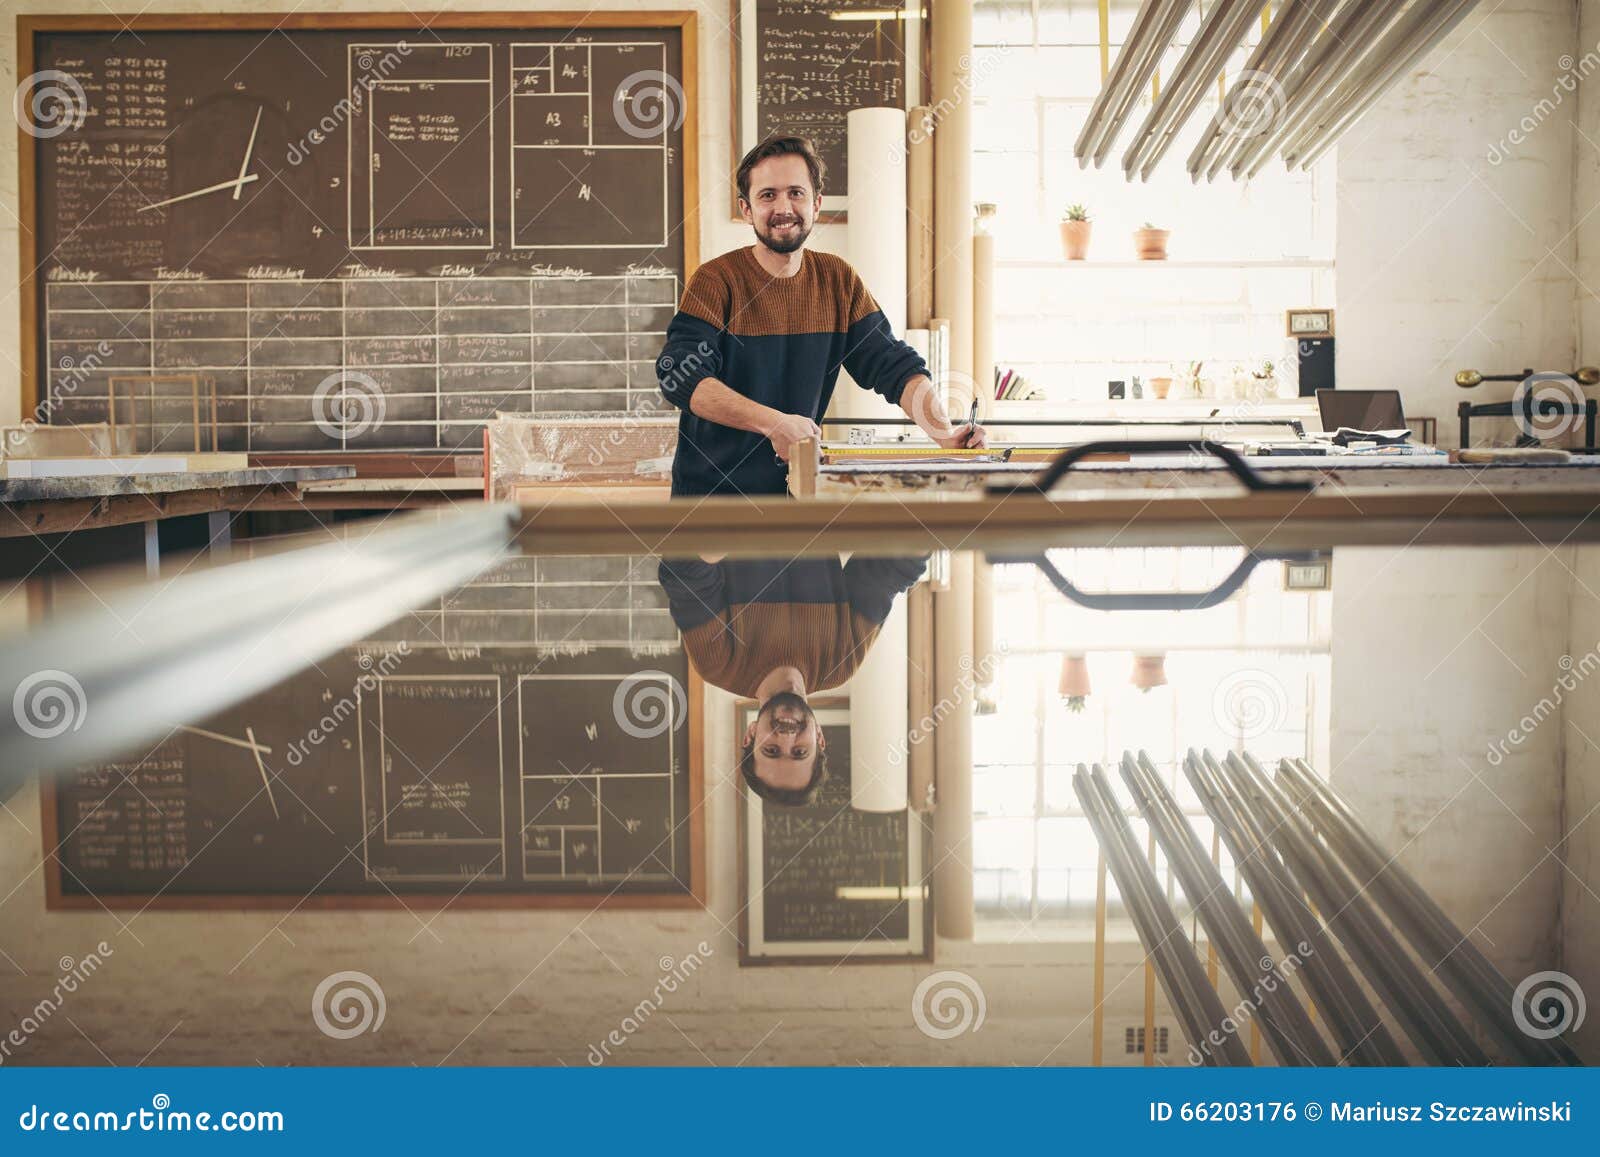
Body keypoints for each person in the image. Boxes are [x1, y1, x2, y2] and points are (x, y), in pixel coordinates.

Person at [655, 134, 987, 497]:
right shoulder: (716, 281)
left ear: (816, 205)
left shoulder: (838, 280)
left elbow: (895, 367)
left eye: (796, 193)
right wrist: (774, 423)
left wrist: (944, 434)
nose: (784, 207)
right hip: (713, 506)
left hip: (801, 497)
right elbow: (679, 376)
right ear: (746, 208)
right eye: (768, 195)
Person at [658, 554, 927, 805]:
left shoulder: (718, 663)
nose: (786, 738)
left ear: (750, 735)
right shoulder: (841, 661)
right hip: (809, 502)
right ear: (819, 739)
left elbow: (683, 574)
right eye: (799, 752)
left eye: (771, 750)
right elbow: (885, 573)